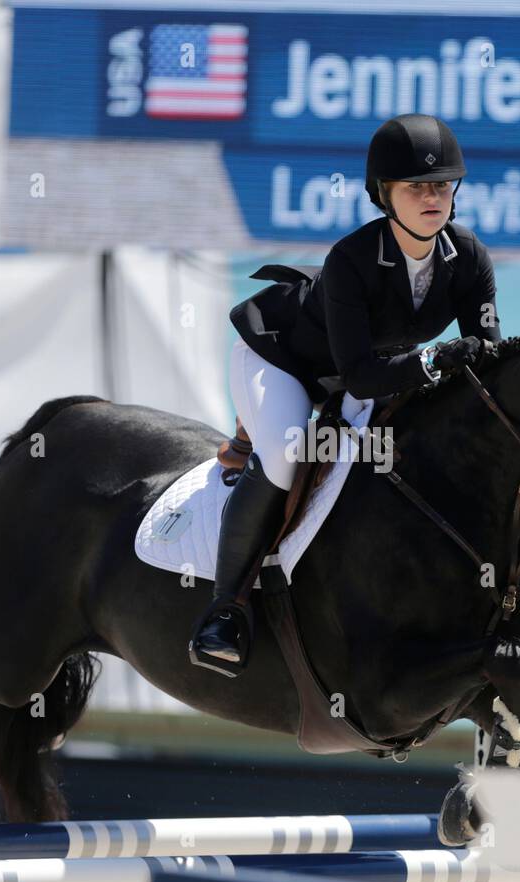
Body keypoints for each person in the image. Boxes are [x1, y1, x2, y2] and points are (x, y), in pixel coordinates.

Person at [188, 113, 502, 677]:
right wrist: (434, 359)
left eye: (442, 185)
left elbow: (487, 353)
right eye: (416, 187)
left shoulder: (470, 258)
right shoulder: (352, 261)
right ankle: (225, 611)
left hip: (364, 372)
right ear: (385, 195)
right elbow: (360, 376)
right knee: (288, 453)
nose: (433, 197)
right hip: (284, 361)